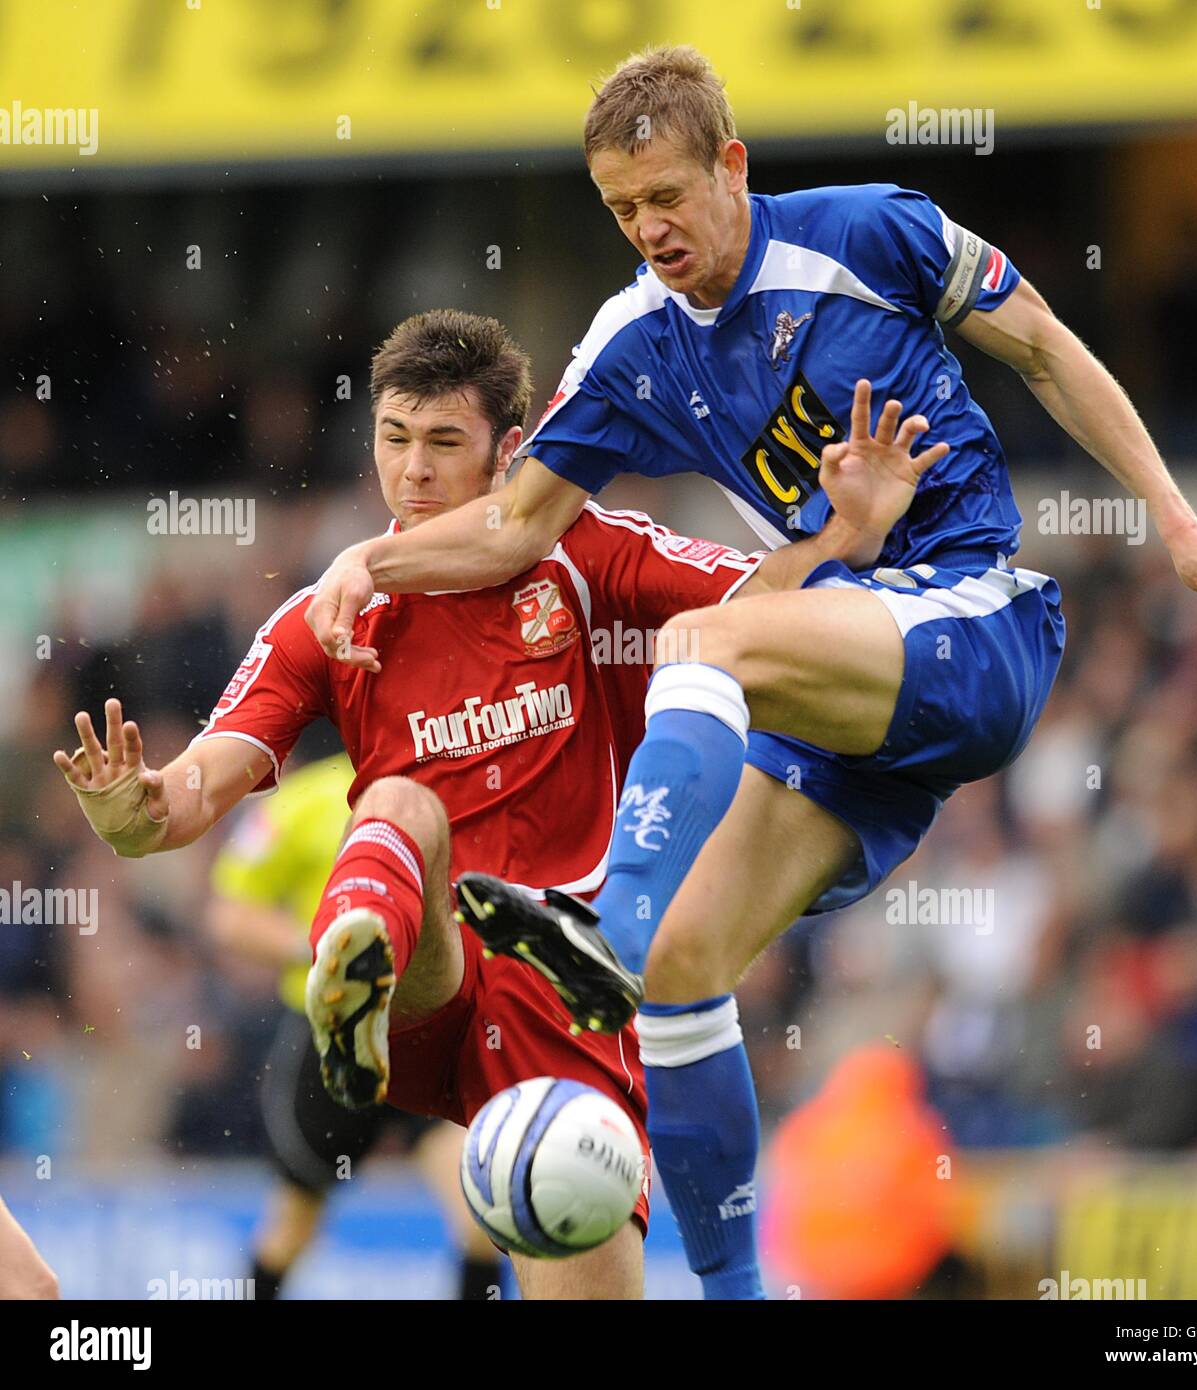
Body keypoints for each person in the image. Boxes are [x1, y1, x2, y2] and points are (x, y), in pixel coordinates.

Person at [301, 48, 1197, 1299]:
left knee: (704, 647)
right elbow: (511, 526)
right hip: (846, 656)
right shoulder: (634, 341)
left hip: (975, 619)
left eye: (669, 197)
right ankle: (737, 1288)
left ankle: (603, 921)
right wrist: (369, 563)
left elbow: (1043, 347)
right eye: (622, 210)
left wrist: (1175, 520)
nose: (651, 231)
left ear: (732, 166)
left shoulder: (873, 233)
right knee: (687, 971)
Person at [54, 308, 865, 1298]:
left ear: (508, 452)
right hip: (424, 972)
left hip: (564, 990)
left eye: (445, 443)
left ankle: (363, 962)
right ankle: (356, 962)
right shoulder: (331, 613)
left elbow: (763, 601)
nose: (415, 470)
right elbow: (180, 803)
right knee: (400, 803)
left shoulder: (588, 555)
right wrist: (123, 810)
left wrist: (850, 532)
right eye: (396, 439)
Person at [207, 754, 502, 1300]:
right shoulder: (319, 798)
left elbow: (229, 915)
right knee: (294, 1226)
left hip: (424, 1030)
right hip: (337, 1038)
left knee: (481, 1213)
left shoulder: (457, 786)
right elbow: (228, 915)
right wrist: (327, 954)